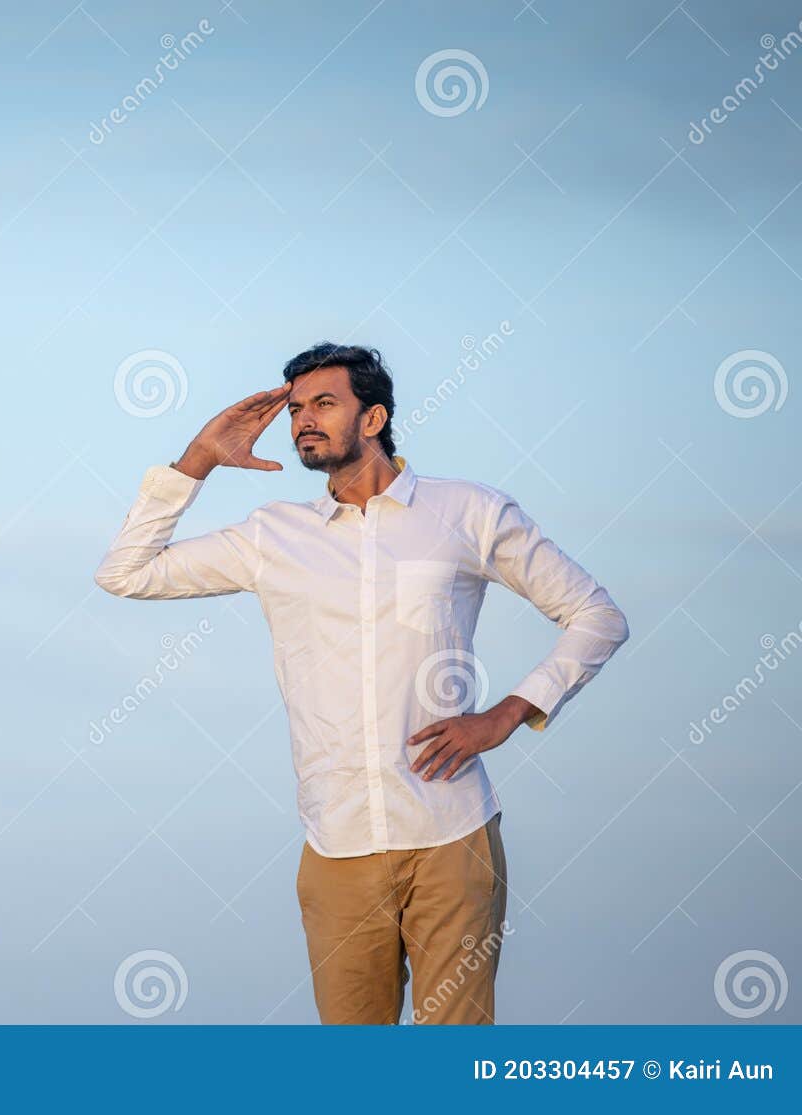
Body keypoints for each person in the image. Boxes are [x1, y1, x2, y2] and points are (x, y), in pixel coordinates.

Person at [93, 343, 629, 1024]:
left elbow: (596, 614)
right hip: (336, 845)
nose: (301, 421)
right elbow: (126, 572)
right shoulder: (273, 535)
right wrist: (197, 458)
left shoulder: (468, 511)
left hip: (451, 833)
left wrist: (506, 715)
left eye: (323, 403)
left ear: (373, 417)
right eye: (293, 410)